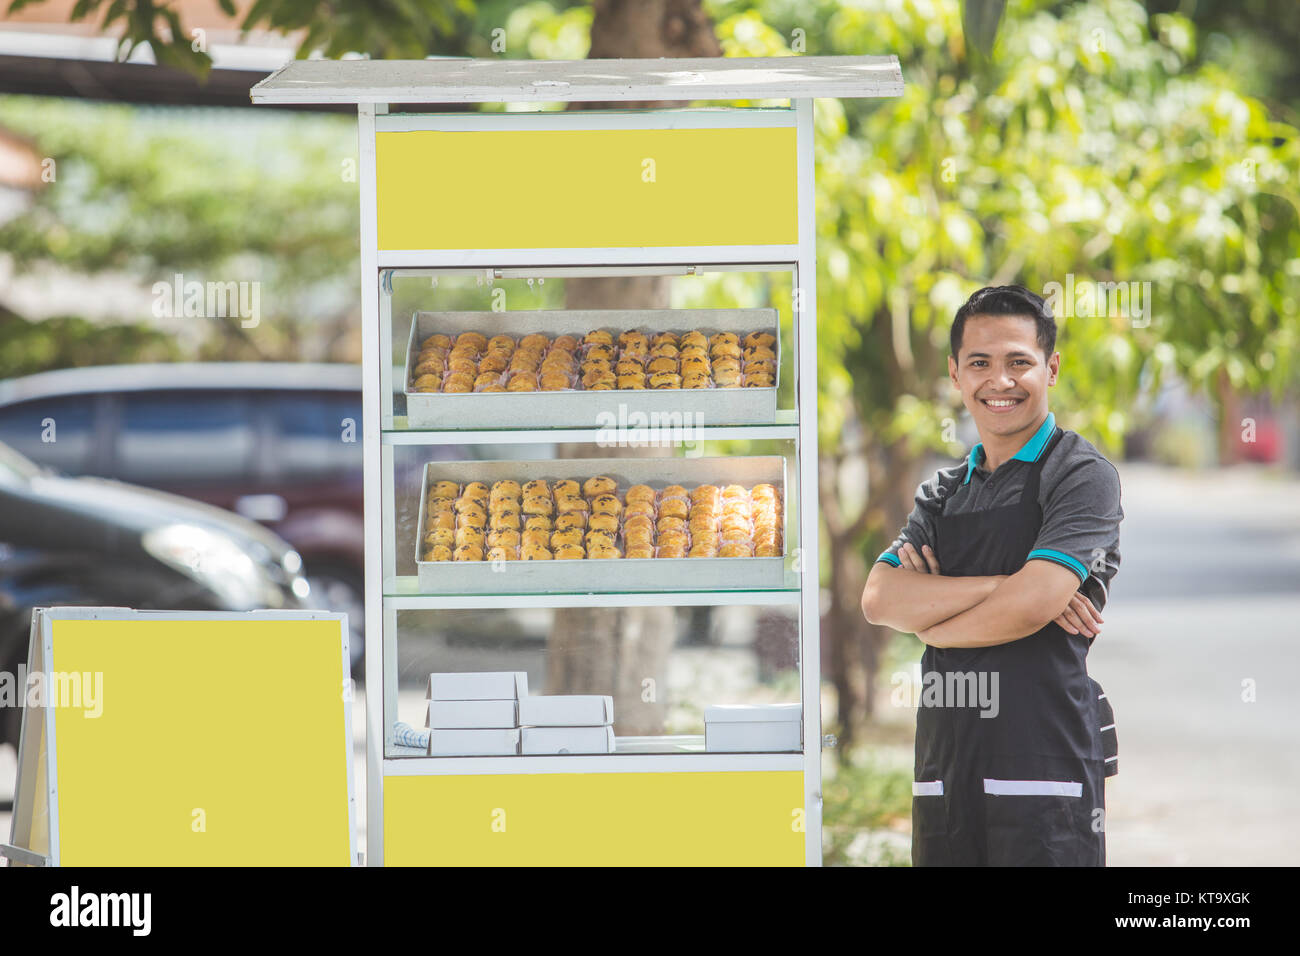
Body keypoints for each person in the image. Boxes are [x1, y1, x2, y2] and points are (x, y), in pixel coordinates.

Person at [860, 285, 1123, 866]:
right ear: (956, 374)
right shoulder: (944, 491)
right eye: (979, 363)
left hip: (1043, 765)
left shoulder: (1081, 475)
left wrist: (935, 624)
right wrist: (1007, 582)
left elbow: (1035, 604)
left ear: (1050, 368)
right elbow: (880, 599)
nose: (998, 381)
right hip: (946, 764)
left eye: (1018, 363)